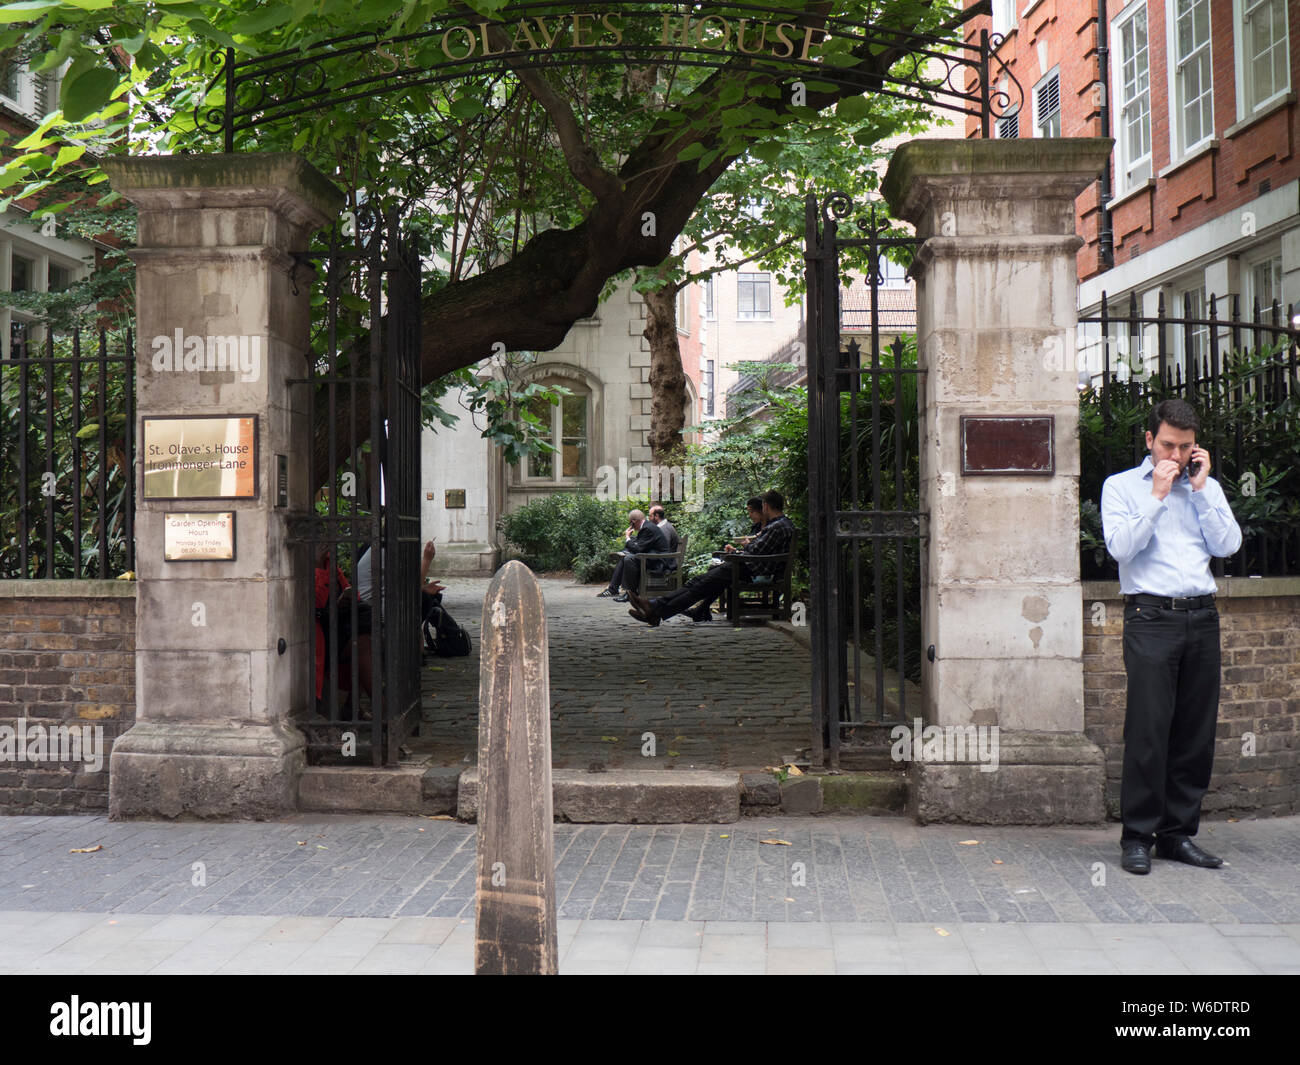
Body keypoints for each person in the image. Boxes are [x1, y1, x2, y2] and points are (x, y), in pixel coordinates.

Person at [1100, 398, 1242, 875]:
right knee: (1149, 731)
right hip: (1151, 617)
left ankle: (1177, 836)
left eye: (1185, 447)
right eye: (1167, 445)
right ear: (1149, 440)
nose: (1176, 456)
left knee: (1194, 734)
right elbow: (1120, 548)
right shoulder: (1121, 488)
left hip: (1202, 618)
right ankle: (1137, 836)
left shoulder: (1207, 487)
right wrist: (1157, 497)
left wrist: (1200, 491)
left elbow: (1229, 546)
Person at [627, 489, 793, 626]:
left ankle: (655, 608)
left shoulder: (777, 527)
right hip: (747, 566)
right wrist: (738, 552)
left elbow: (755, 550)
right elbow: (758, 550)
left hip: (749, 569)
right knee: (698, 582)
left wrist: (743, 548)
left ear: (766, 505)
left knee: (699, 585)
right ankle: (655, 609)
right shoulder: (780, 524)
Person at [598, 508, 668, 602]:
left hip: (659, 561)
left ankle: (630, 594)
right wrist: (630, 541)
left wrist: (627, 537)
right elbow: (639, 546)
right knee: (626, 557)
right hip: (652, 558)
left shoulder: (647, 528)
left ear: (634, 521)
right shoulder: (646, 527)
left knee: (628, 559)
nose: (631, 526)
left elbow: (638, 549)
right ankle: (617, 590)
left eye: (631, 524)